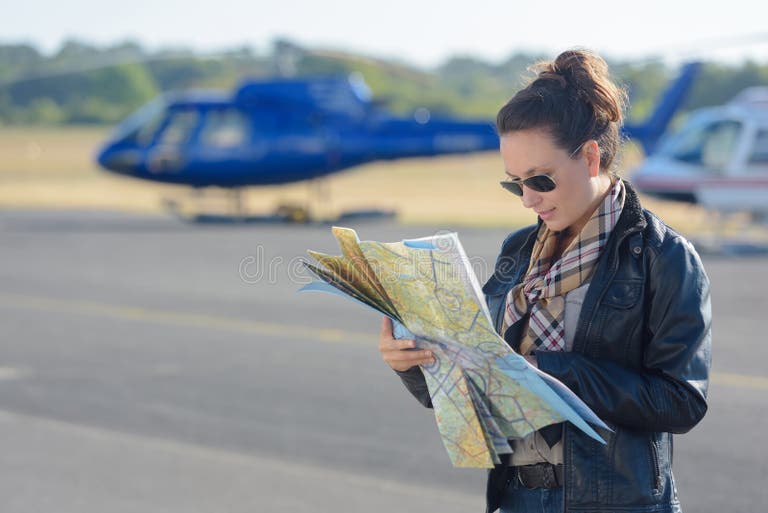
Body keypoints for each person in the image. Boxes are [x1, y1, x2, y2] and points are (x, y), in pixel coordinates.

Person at [378, 49, 711, 513]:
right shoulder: (518, 251)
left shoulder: (664, 256)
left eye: (539, 180)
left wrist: (551, 374)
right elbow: (483, 380)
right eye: (514, 183)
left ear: (590, 157)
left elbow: (681, 401)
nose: (527, 199)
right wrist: (414, 363)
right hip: (517, 498)